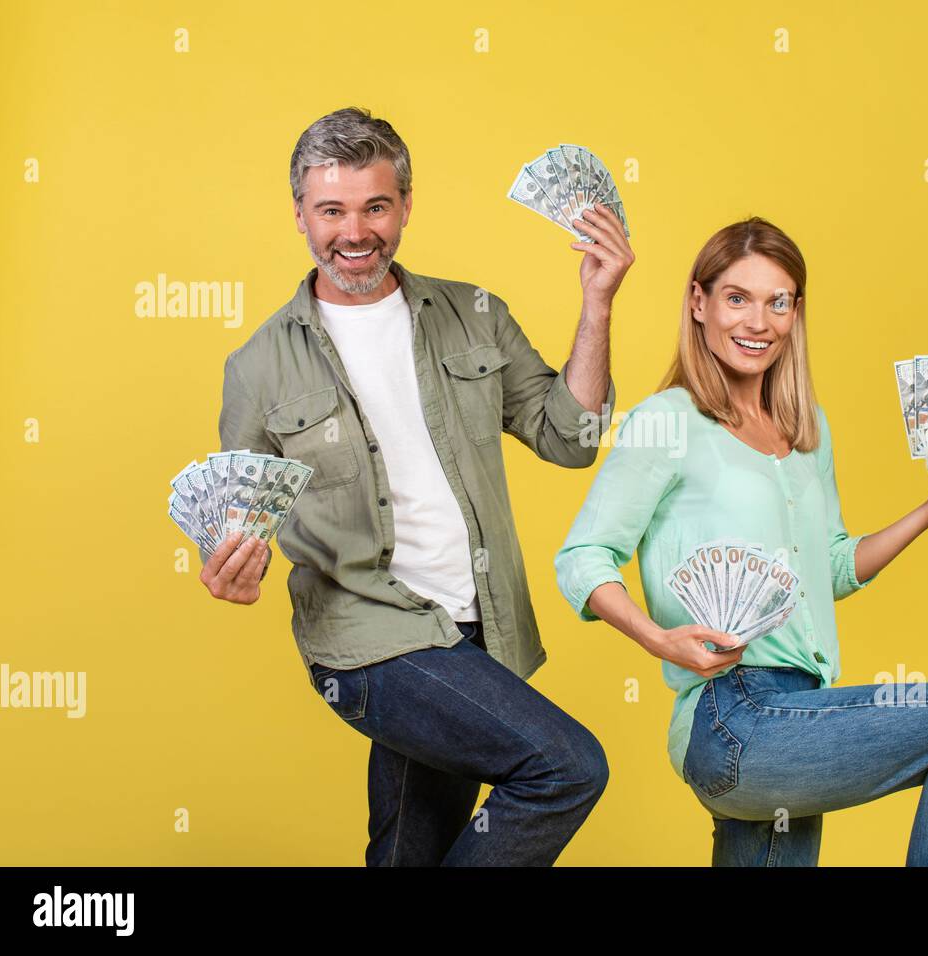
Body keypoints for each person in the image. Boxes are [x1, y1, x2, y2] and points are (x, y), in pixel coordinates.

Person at [200, 107, 635, 866]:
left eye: (375, 206)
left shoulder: (473, 314)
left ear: (404, 205)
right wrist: (232, 569)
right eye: (331, 209)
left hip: (477, 632)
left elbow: (572, 439)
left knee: (409, 850)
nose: (355, 231)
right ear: (300, 215)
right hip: (369, 643)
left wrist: (597, 303)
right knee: (565, 768)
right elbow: (240, 526)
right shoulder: (258, 366)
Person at [554, 217, 928, 866]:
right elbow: (584, 556)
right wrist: (659, 639)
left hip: (801, 715)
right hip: (735, 715)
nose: (759, 321)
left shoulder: (808, 434)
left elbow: (828, 569)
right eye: (738, 297)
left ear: (795, 312)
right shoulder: (667, 421)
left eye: (778, 301)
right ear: (700, 302)